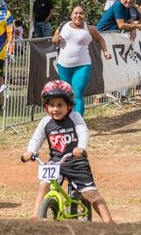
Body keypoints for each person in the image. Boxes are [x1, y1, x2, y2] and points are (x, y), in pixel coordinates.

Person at [22, 80, 114, 223]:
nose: (55, 109)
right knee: (44, 184)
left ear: (69, 105)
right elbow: (36, 138)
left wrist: (81, 148)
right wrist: (30, 151)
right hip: (56, 162)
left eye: (60, 105)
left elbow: (83, 132)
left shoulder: (75, 117)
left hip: (76, 162)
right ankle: (36, 215)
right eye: (51, 105)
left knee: (91, 194)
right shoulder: (45, 122)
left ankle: (109, 222)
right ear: (46, 106)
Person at [52, 6, 111, 116]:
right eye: (75, 13)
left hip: (82, 66)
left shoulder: (89, 29)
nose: (78, 15)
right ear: (71, 15)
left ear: (84, 16)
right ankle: (67, 118)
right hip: (64, 66)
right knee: (66, 94)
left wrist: (105, 51)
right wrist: (55, 39)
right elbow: (54, 38)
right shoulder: (63, 26)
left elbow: (100, 39)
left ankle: (78, 122)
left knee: (77, 93)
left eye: (81, 13)